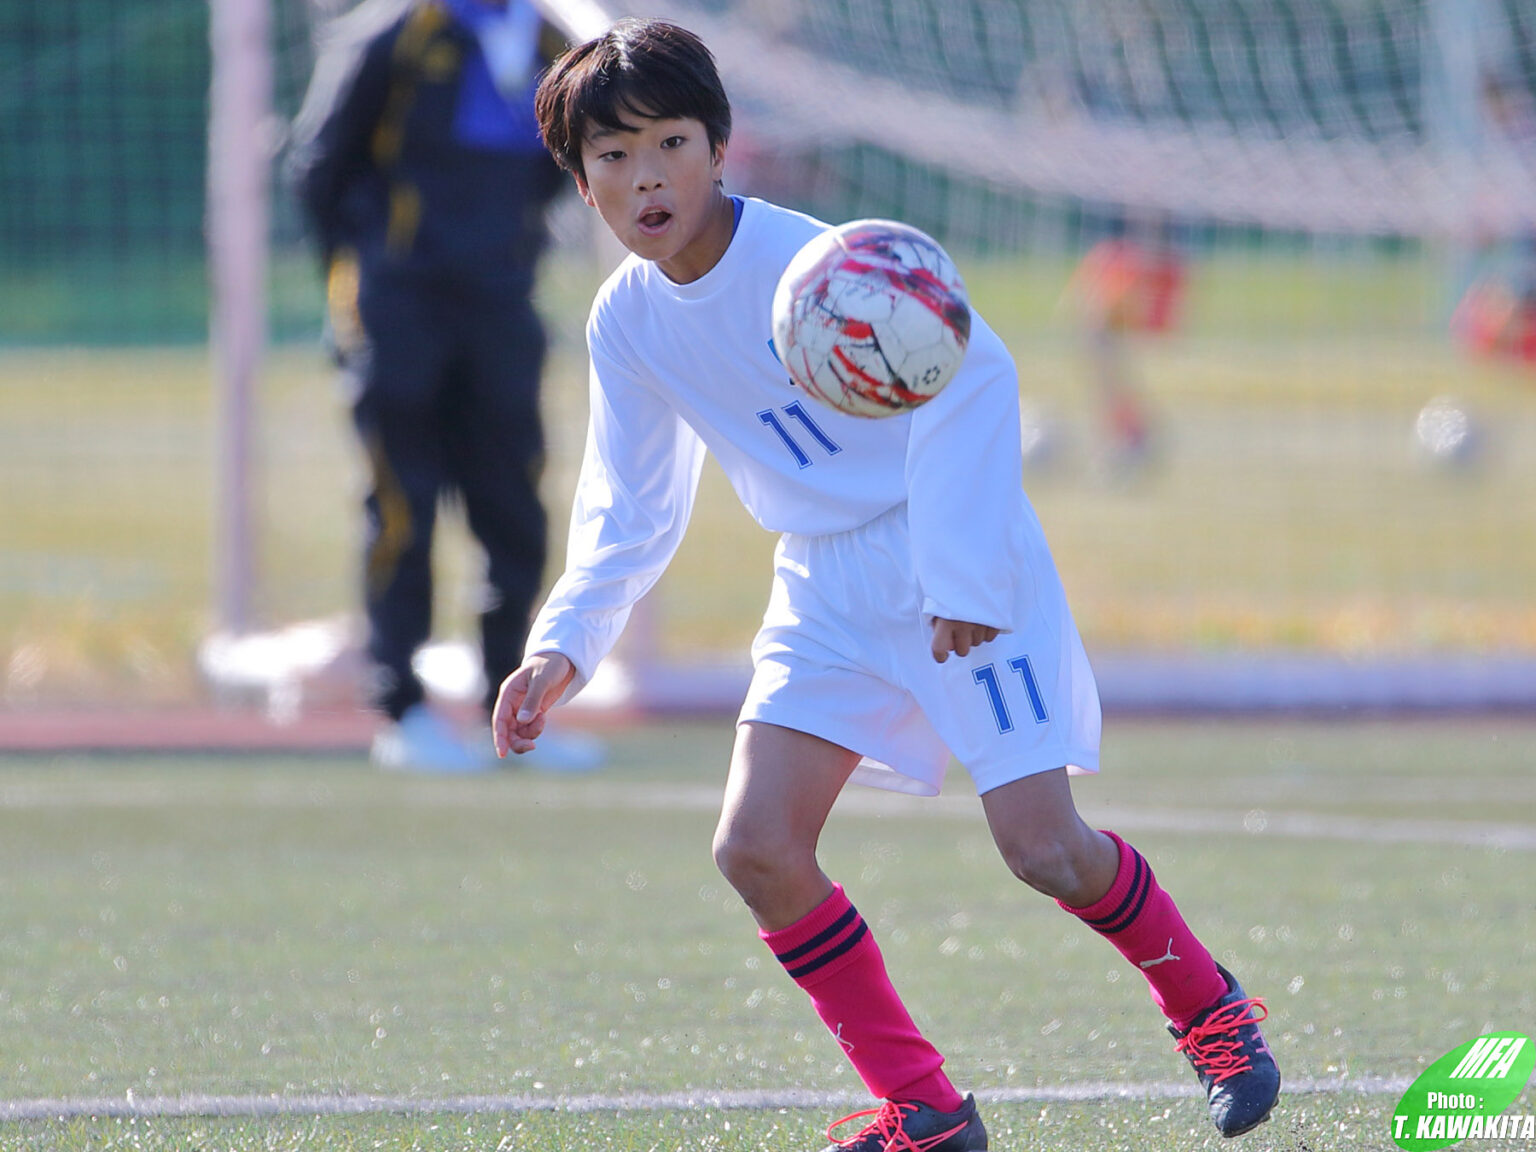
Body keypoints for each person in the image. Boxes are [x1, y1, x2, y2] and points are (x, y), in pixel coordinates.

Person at [494, 18, 1280, 1149]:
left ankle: (1213, 1011)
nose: (645, 177)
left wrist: (960, 570)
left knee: (1044, 849)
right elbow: (630, 501)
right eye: (611, 157)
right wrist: (565, 641)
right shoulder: (625, 319)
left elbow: (977, 372)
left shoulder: (824, 263)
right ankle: (927, 1110)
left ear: (721, 147)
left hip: (952, 553)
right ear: (579, 182)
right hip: (821, 580)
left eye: (668, 142)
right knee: (757, 848)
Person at [288, 0, 570, 771]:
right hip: (398, 308)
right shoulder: (395, 36)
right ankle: (401, 709)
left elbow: (568, 166)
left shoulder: (550, 40)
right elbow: (319, 164)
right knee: (403, 504)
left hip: (500, 307)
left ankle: (507, 709)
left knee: (513, 505)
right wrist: (375, 273)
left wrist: (506, 254)